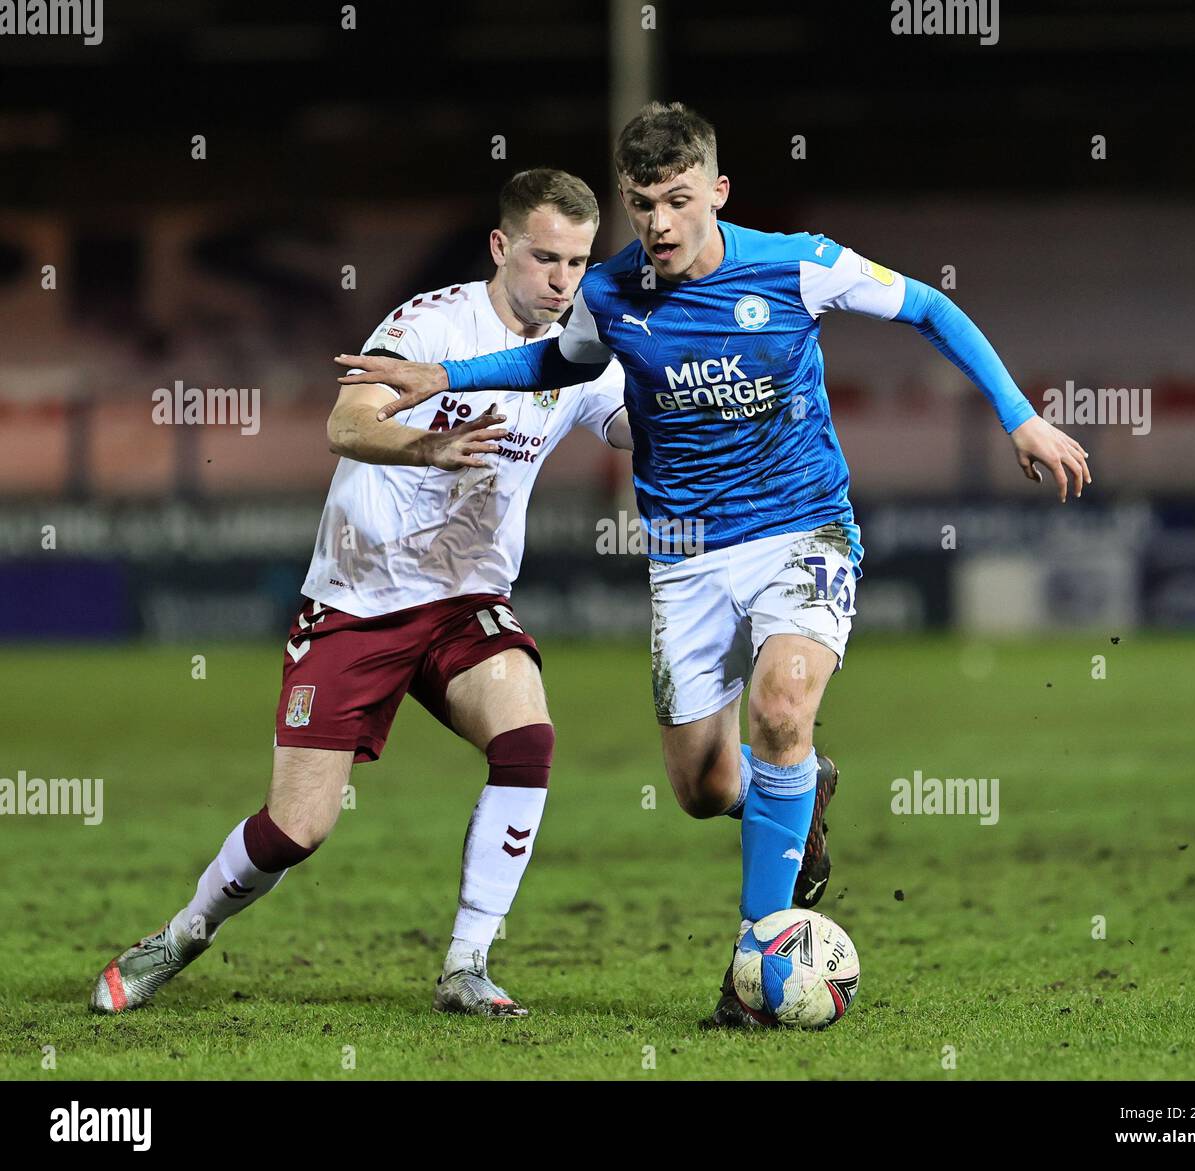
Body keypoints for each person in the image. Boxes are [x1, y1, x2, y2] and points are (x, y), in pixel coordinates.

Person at [336, 102, 1092, 1026]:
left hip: (802, 531)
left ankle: (756, 964)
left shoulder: (798, 266)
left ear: (718, 193)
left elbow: (929, 307)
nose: (657, 222)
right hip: (688, 558)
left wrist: (1019, 414)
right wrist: (443, 378)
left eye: (677, 200)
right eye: (641, 202)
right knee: (701, 788)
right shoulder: (611, 293)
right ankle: (801, 789)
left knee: (782, 707)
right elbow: (558, 367)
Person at [90, 169, 631, 1018]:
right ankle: (183, 933)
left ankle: (466, 964)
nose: (563, 281)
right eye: (545, 258)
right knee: (296, 829)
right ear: (500, 247)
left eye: (578, 261)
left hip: (465, 596)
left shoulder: (581, 351)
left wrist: (702, 390)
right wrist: (426, 449)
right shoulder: (431, 323)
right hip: (359, 597)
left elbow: (632, 426)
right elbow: (346, 424)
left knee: (527, 735)